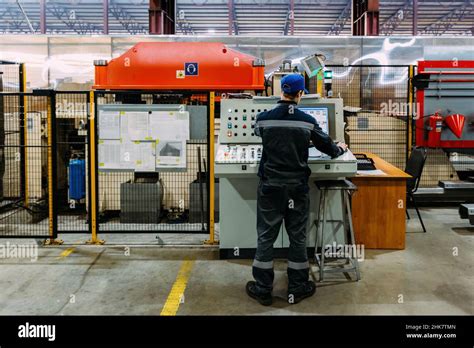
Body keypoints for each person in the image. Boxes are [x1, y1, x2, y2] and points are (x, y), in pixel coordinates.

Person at [246, 73, 348, 306]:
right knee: (297, 236)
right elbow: (330, 149)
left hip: (270, 187)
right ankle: (298, 286)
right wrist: (340, 148)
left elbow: (258, 133)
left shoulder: (263, 118)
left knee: (265, 236)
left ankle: (262, 289)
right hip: (296, 189)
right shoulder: (307, 121)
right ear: (301, 93)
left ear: (281, 91)